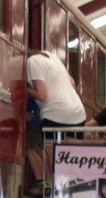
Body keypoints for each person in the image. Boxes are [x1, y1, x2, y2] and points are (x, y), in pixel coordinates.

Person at [25, 49, 86, 188]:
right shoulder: (54, 59)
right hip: (77, 112)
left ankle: (54, 196)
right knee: (72, 163)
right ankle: (73, 196)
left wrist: (24, 89)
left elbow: (42, 95)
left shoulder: (32, 61)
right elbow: (72, 84)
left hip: (55, 114)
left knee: (56, 164)